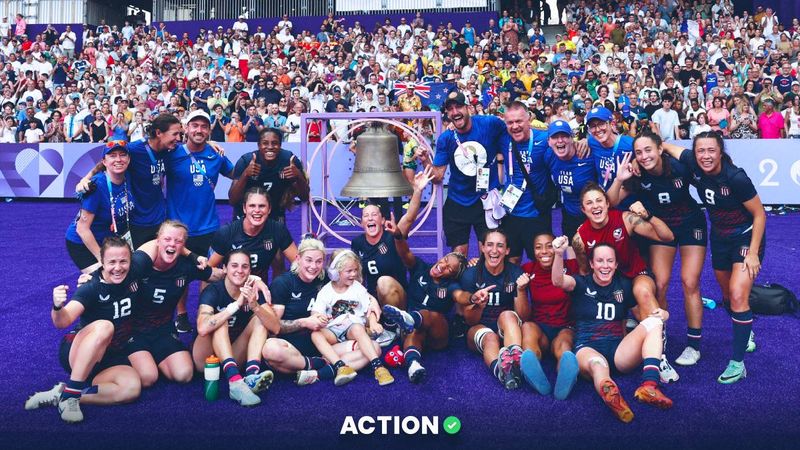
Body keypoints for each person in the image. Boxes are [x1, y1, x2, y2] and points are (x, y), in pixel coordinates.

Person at [662, 132, 765, 384]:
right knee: (728, 296)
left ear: (720, 152)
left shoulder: (735, 177)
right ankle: (746, 329)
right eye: (700, 151)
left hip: (745, 236)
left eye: (711, 151)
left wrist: (752, 252)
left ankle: (738, 363)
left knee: (738, 293)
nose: (705, 156)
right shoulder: (694, 166)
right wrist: (659, 144)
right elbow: (672, 149)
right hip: (719, 238)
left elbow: (760, 214)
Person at [607, 131, 708, 367]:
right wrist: (620, 178)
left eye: (648, 150)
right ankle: (657, 336)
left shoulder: (679, 167)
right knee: (659, 283)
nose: (643, 156)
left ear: (660, 149)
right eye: (639, 152)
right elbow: (611, 201)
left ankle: (693, 345)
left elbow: (708, 174)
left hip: (691, 224)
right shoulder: (637, 172)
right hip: (661, 229)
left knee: (689, 282)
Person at [25, 237, 151, 423]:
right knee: (105, 326)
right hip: (80, 349)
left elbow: (158, 243)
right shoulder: (91, 286)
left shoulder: (134, 271)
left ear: (131, 261)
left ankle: (65, 394)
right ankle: (72, 393)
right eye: (112, 262)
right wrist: (57, 306)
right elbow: (63, 321)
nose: (118, 267)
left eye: (123, 261)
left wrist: (191, 255)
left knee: (131, 389)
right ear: (102, 262)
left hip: (110, 356)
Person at [551, 238, 673, 423]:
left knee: (654, 322)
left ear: (616, 264)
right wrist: (559, 254)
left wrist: (663, 315)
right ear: (591, 263)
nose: (605, 266)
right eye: (599, 261)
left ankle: (649, 385)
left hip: (619, 352)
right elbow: (558, 281)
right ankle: (612, 396)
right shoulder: (580, 283)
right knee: (597, 364)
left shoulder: (623, 285)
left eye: (609, 261)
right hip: (588, 347)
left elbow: (642, 315)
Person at [572, 183, 679, 383]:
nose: (595, 206)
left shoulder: (624, 219)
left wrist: (647, 215)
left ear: (607, 203)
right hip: (607, 282)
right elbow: (584, 271)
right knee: (629, 319)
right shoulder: (579, 238)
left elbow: (667, 236)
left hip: (633, 274)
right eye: (589, 203)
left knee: (644, 292)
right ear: (583, 209)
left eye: (599, 201)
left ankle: (660, 358)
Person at [379, 171, 468, 382]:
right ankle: (413, 364)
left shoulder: (452, 286)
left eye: (449, 268)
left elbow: (461, 298)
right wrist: (398, 235)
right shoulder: (421, 267)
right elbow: (404, 252)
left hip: (438, 334)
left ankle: (411, 319)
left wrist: (473, 298)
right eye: (444, 260)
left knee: (427, 315)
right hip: (414, 329)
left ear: (453, 275)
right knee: (414, 329)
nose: (442, 266)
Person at [264, 238, 384, 386]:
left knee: (375, 348)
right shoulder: (283, 283)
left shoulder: (326, 278)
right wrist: (304, 322)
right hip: (293, 348)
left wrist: (374, 302)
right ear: (298, 259)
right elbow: (273, 327)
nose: (313, 266)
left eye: (319, 261)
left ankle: (323, 370)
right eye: (308, 260)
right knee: (271, 349)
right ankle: (317, 365)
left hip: (327, 344)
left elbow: (354, 289)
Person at [125, 221, 223, 387]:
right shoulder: (141, 265)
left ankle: (152, 358)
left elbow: (215, 275)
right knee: (148, 378)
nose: (172, 244)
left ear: (183, 246)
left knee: (184, 374)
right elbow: (114, 275)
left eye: (178, 241)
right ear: (157, 241)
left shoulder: (186, 267)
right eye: (167, 239)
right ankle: (140, 360)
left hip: (163, 331)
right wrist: (94, 278)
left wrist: (245, 277)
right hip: (134, 332)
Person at [165, 110, 235, 333]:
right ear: (186, 128)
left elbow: (236, 174)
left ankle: (204, 313)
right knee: (180, 276)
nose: (199, 130)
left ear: (209, 130)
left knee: (209, 272)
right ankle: (182, 314)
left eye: (204, 127)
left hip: (208, 226)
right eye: (194, 125)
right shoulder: (172, 153)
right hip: (179, 228)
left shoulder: (216, 155)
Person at [418, 92, 505, 256]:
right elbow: (438, 176)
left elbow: (511, 130)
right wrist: (425, 161)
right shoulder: (446, 138)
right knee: (458, 255)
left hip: (485, 200)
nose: (455, 112)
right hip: (458, 200)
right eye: (450, 109)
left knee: (488, 253)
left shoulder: (489, 124)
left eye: (458, 106)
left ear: (468, 108)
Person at [193, 250, 280, 407]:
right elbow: (202, 328)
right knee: (221, 320)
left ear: (250, 271)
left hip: (232, 356)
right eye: (234, 265)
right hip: (205, 359)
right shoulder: (213, 290)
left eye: (245, 267)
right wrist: (236, 306)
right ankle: (235, 382)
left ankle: (251, 376)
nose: (239, 270)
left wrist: (254, 306)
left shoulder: (252, 291)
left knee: (260, 320)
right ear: (225, 268)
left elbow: (275, 327)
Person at [455, 229, 531, 389]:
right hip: (478, 327)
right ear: (482, 247)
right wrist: (478, 305)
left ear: (507, 250)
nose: (494, 250)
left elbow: (523, 316)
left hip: (507, 330)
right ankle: (502, 371)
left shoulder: (516, 273)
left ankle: (514, 359)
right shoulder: (470, 275)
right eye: (489, 245)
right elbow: (468, 320)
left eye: (500, 246)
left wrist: (522, 290)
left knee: (508, 315)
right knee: (490, 338)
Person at [229, 128, 308, 276]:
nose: (270, 147)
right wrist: (245, 174)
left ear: (281, 145)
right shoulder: (246, 160)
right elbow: (233, 199)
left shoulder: (288, 160)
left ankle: (277, 295)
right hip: (247, 216)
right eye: (265, 143)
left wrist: (298, 176)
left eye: (275, 143)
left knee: (278, 259)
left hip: (274, 215)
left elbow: (304, 196)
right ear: (258, 145)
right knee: (253, 263)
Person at [308, 250, 395, 386]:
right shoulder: (326, 291)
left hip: (353, 329)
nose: (353, 274)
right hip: (333, 330)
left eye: (355, 270)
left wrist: (372, 323)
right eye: (349, 271)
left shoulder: (357, 288)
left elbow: (369, 309)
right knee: (315, 334)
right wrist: (320, 318)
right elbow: (315, 313)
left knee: (357, 328)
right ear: (336, 272)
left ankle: (378, 367)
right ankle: (340, 366)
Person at [516, 232, 580, 399]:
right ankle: (533, 367)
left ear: (557, 247)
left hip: (565, 326)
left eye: (549, 246)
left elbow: (585, 260)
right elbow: (523, 315)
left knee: (564, 346)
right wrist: (521, 290)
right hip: (540, 328)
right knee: (527, 327)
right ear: (533, 251)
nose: (544, 251)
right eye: (538, 247)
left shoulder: (571, 266)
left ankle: (564, 379)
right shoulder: (527, 270)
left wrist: (576, 242)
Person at [66, 142, 134, 273]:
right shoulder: (97, 186)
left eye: (122, 155)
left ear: (129, 159)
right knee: (102, 280)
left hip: (107, 240)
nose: (118, 159)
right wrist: (103, 260)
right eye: (113, 156)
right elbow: (82, 229)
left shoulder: (128, 177)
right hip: (82, 243)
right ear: (104, 161)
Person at [499, 101, 554, 263]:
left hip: (537, 214)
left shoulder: (545, 139)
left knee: (542, 263)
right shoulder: (502, 139)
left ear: (528, 119)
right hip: (510, 213)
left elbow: (567, 143)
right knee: (511, 263)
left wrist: (582, 143)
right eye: (510, 122)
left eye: (519, 121)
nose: (514, 126)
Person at [208, 188, 298, 281]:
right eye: (252, 206)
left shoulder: (278, 230)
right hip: (230, 288)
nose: (257, 210)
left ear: (269, 209)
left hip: (259, 290)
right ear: (244, 208)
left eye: (262, 206)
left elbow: (299, 264)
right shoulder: (226, 233)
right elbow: (207, 270)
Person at [544, 120, 597, 238]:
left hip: (592, 214)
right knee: (573, 252)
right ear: (549, 142)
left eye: (564, 136)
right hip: (569, 215)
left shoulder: (586, 153)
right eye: (555, 137)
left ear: (572, 138)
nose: (560, 140)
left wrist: (589, 140)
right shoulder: (549, 156)